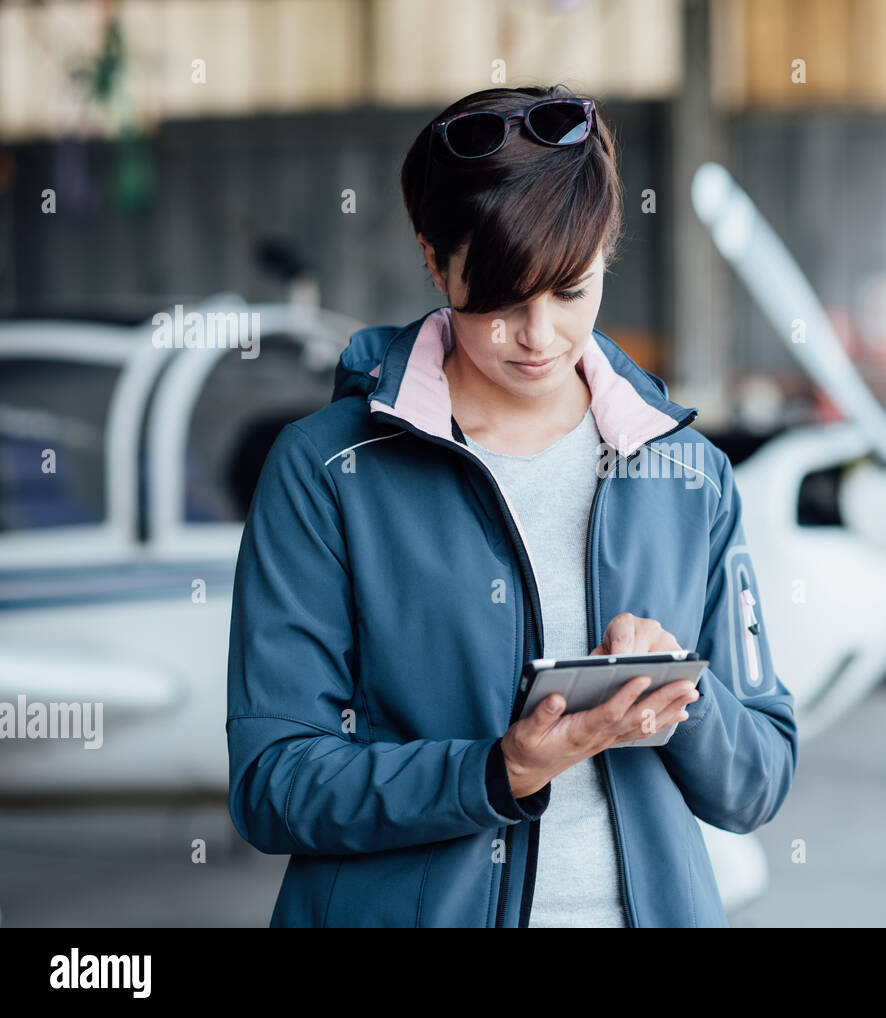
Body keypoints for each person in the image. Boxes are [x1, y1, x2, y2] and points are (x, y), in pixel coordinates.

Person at [226, 83, 797, 928]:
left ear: (607, 251)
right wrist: (496, 774)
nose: (538, 336)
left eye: (570, 291)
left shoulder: (690, 475)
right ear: (433, 258)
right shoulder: (326, 472)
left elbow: (759, 784)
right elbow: (273, 785)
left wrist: (682, 698)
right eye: (498, 301)